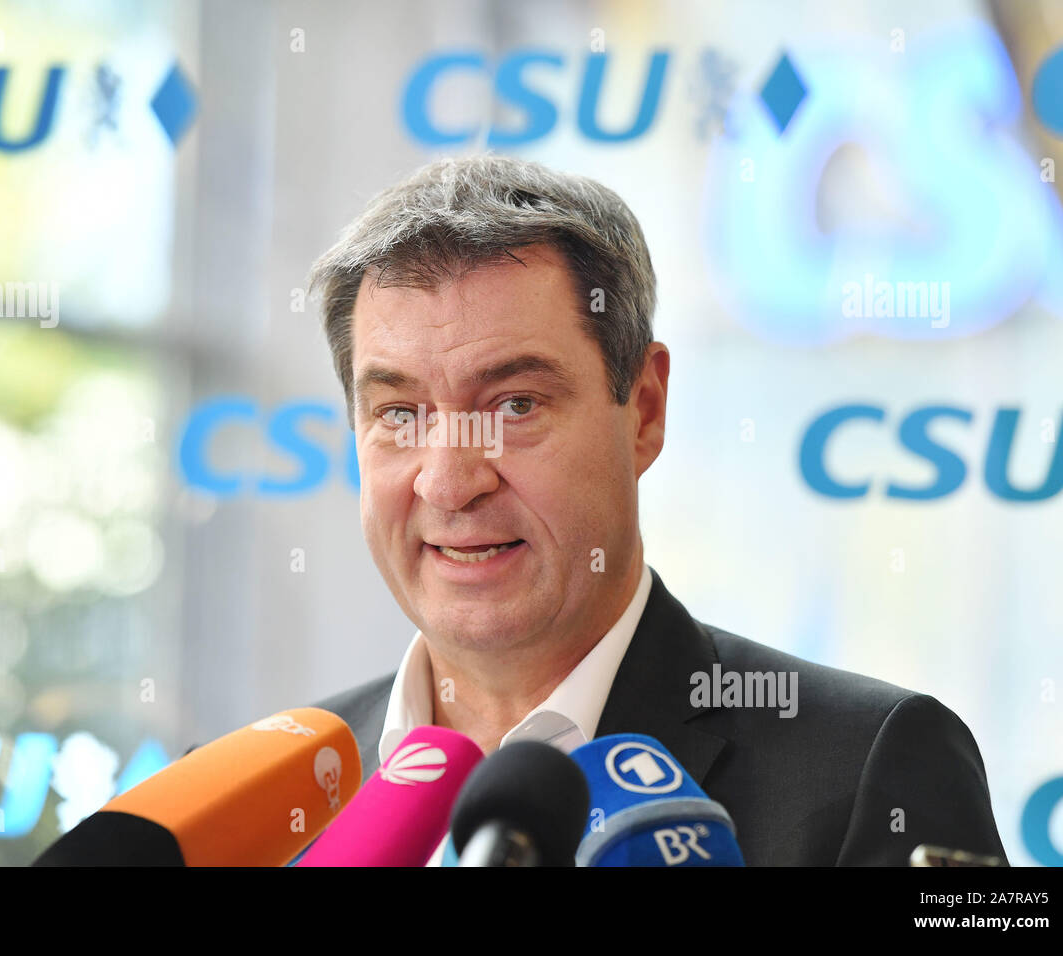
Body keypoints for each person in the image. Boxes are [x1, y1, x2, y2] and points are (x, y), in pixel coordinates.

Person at [305, 155, 1005, 866]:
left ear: (643, 410)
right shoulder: (269, 800)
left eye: (515, 405)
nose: (450, 483)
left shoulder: (872, 769)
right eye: (399, 414)